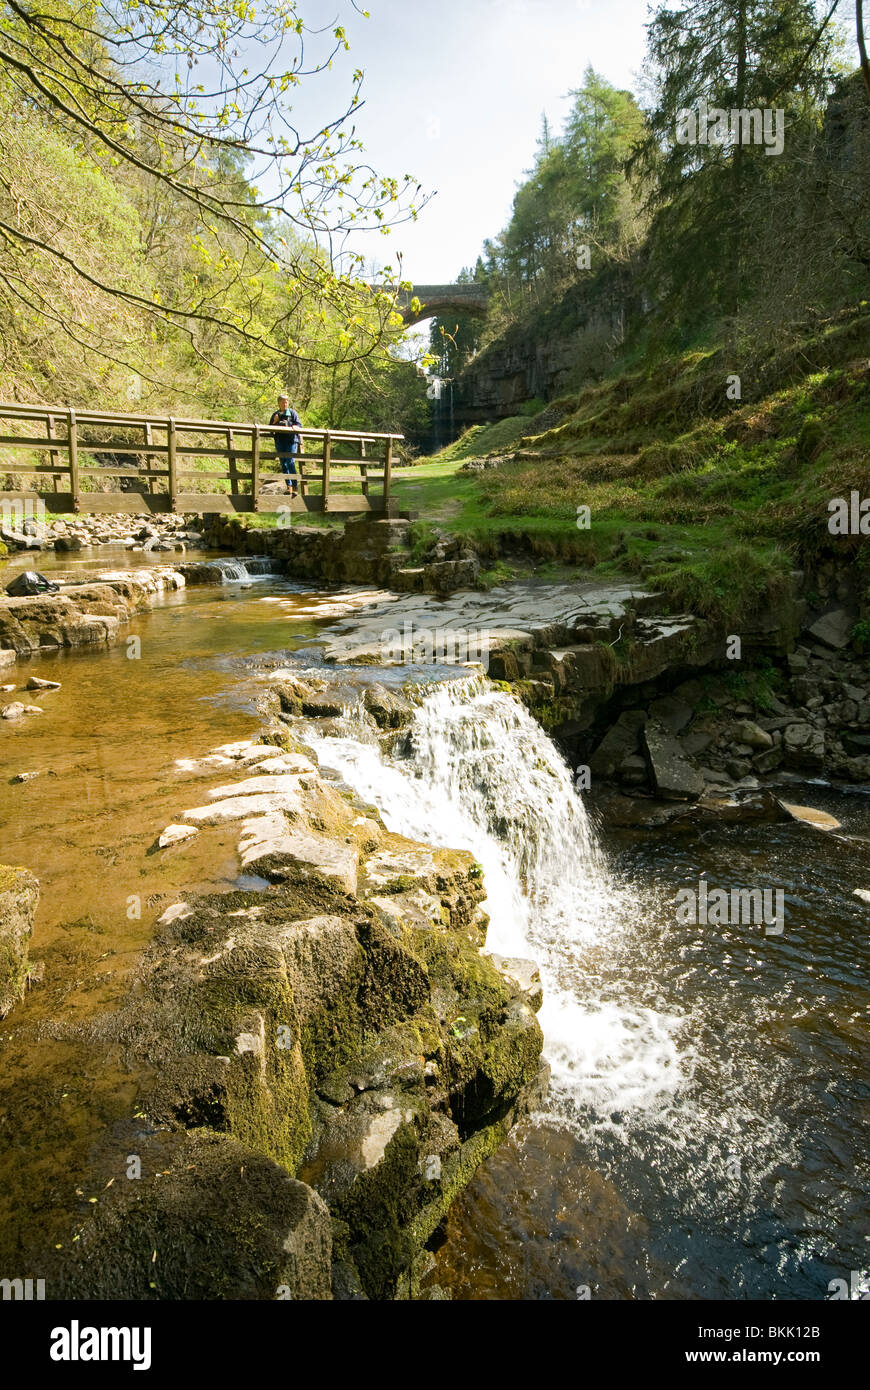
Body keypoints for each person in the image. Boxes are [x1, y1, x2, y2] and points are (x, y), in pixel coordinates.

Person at [269, 395, 303, 497]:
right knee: (283, 464)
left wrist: (295, 426)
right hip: (280, 442)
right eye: (283, 402)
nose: (285, 404)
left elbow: (299, 425)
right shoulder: (275, 414)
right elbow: (270, 430)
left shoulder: (292, 413)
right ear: (278, 403)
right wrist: (275, 422)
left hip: (291, 441)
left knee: (290, 462)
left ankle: (295, 486)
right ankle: (289, 487)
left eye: (287, 402)